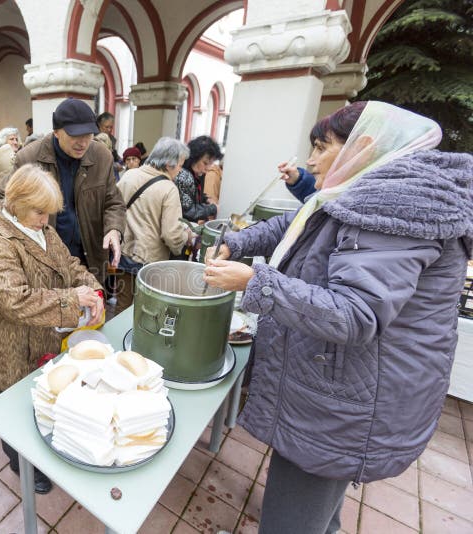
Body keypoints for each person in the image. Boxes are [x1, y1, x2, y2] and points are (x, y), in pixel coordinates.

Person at [202, 101, 473, 534]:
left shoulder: (395, 206)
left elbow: (355, 314)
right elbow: (300, 221)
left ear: (362, 147)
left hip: (341, 403)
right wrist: (239, 242)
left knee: (292, 517)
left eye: (321, 147)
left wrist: (256, 282)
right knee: (317, 511)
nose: (310, 161)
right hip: (339, 389)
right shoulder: (366, 189)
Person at [0, 164, 103, 494]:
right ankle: (21, 465)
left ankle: (40, 456)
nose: (45, 220)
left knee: (45, 405)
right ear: (15, 202)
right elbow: (14, 301)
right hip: (16, 348)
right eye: (40, 212)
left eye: (48, 213)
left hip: (48, 339)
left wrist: (93, 288)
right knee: (17, 414)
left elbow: (68, 264)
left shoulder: (40, 227)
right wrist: (73, 298)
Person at [0, 98, 126, 285]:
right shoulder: (29, 157)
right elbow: (3, 195)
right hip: (46, 259)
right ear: (56, 132)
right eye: (75, 135)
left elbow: (113, 201)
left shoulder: (102, 156)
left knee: (92, 300)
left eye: (88, 135)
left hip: (90, 255)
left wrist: (114, 228)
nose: (83, 142)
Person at [115, 137, 195, 313]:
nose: (180, 170)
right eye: (180, 165)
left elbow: (113, 210)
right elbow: (172, 235)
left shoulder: (129, 175)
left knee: (122, 305)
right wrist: (186, 236)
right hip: (150, 261)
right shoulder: (168, 189)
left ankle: (116, 330)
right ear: (169, 164)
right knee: (146, 309)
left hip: (123, 253)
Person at [175, 135, 221, 223]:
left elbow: (191, 194)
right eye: (205, 163)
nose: (208, 168)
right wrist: (213, 208)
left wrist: (205, 199)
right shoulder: (183, 175)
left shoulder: (197, 173)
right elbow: (188, 211)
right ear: (194, 157)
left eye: (210, 164)